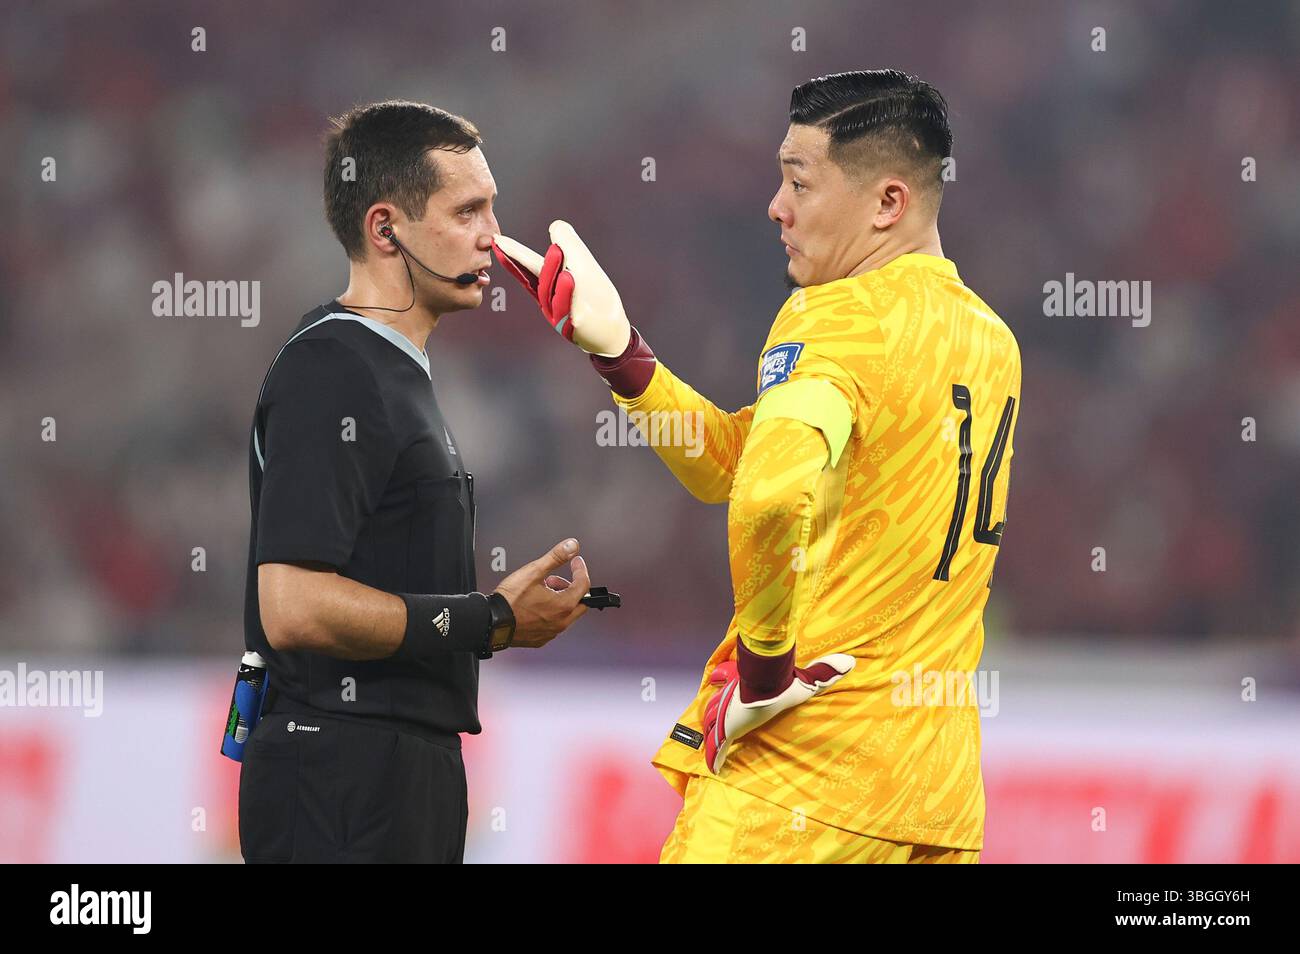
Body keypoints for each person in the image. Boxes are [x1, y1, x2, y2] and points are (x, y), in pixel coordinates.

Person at [495, 70, 1021, 863]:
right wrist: (622, 356)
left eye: (800, 183)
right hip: (930, 801)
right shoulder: (992, 343)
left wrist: (766, 673)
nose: (777, 206)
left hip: (797, 787)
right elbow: (742, 465)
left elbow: (771, 497)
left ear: (886, 204)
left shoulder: (836, 317)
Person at [238, 101, 590, 864]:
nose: (493, 236)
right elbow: (292, 605)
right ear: (385, 228)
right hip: (340, 772)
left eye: (491, 208)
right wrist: (489, 619)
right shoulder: (335, 368)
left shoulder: (399, 373)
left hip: (395, 772)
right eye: (468, 211)